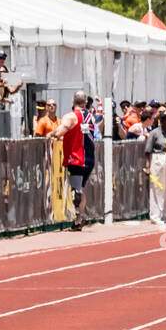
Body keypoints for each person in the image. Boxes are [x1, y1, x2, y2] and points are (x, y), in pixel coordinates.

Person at [49, 91, 97, 231]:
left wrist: (50, 134)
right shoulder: (91, 117)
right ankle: (79, 218)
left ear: (72, 101)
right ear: (86, 102)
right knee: (81, 188)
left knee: (77, 190)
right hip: (89, 158)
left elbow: (59, 132)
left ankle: (77, 218)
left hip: (75, 157)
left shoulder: (70, 117)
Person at [142, 109, 166, 225]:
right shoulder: (155, 133)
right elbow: (147, 151)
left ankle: (164, 215)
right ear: (160, 121)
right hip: (158, 158)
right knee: (157, 187)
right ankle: (155, 216)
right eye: (165, 119)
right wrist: (148, 166)